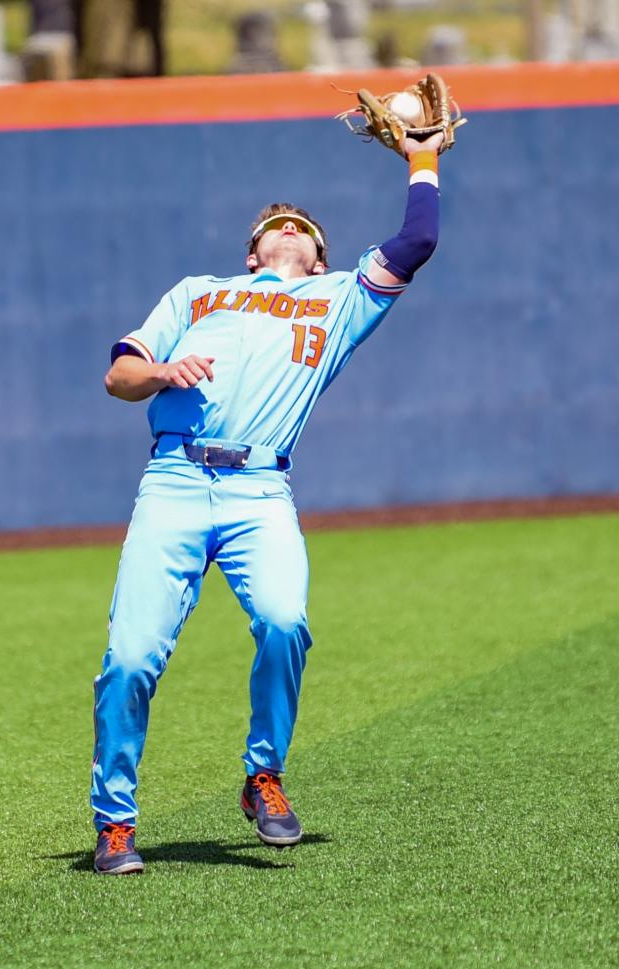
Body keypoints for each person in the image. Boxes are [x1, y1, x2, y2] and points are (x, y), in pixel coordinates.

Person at [91, 134, 445, 875]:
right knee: (128, 659)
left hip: (259, 490)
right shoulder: (196, 293)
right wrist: (158, 370)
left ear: (317, 258)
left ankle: (263, 776)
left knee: (286, 625)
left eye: (302, 228)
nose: (287, 226)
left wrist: (423, 158)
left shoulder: (340, 298)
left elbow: (417, 239)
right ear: (252, 253)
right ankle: (116, 821)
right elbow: (118, 377)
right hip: (175, 483)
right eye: (273, 225)